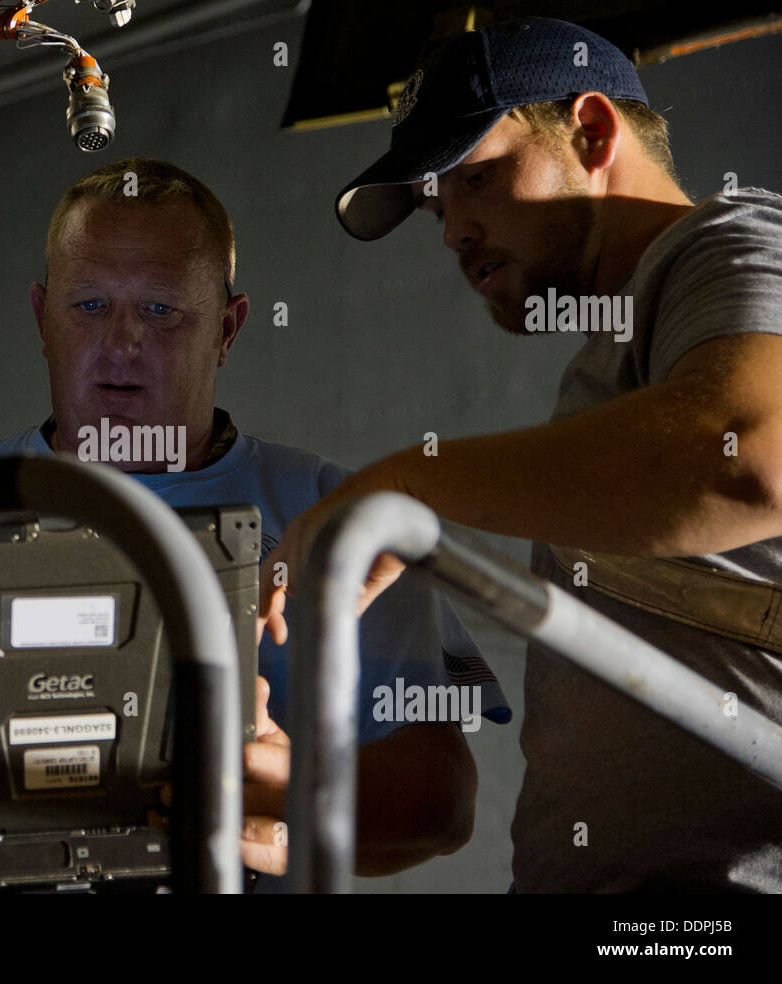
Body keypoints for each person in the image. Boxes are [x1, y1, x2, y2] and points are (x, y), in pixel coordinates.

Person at [0, 158, 508, 893]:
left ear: (228, 330)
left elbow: (440, 804)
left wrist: (290, 788)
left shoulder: (338, 516)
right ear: (42, 317)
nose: (122, 345)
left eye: (163, 311)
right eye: (90, 305)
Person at [264, 17, 782, 892]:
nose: (452, 231)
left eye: (477, 177)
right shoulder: (615, 362)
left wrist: (409, 484)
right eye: (437, 201)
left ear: (592, 131)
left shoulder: (730, 242)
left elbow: (748, 458)